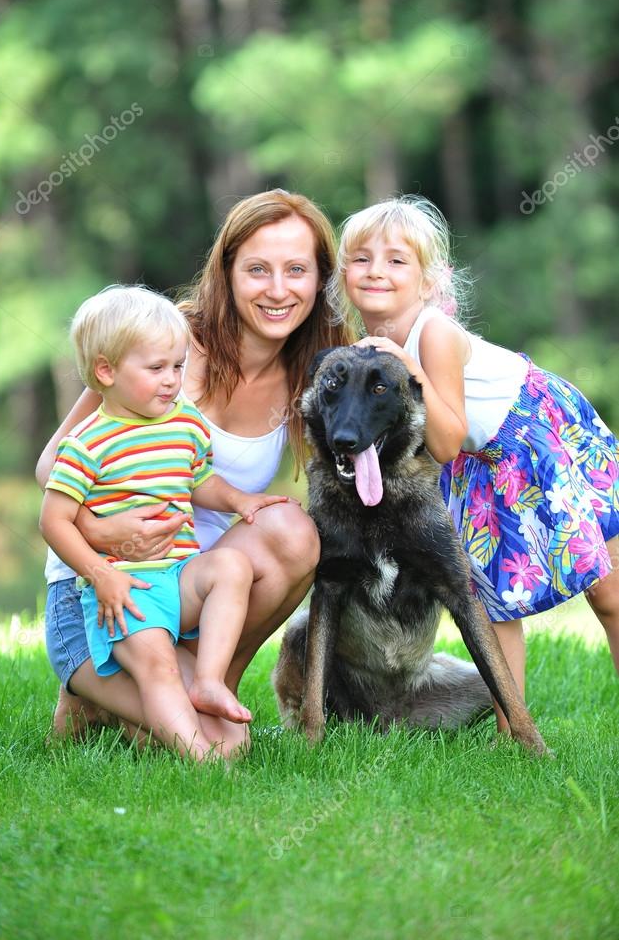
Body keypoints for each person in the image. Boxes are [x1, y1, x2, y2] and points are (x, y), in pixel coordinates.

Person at [37, 189, 354, 754]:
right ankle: (100, 687)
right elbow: (50, 467)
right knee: (214, 747)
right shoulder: (162, 344)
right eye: (257, 269)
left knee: (292, 531)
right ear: (227, 272)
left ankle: (209, 685)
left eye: (296, 270)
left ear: (320, 279)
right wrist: (102, 531)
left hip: (191, 584)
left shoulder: (315, 369)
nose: (277, 290)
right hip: (110, 585)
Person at [331, 194, 619, 733]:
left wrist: (410, 368)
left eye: (397, 260)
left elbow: (445, 439)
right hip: (481, 466)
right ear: (343, 273)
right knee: (489, 602)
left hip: (538, 434)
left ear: (428, 280)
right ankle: (514, 732)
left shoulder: (432, 334)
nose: (376, 271)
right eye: (361, 258)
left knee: (608, 590)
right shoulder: (366, 346)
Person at [40, 284, 291, 760]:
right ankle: (201, 763)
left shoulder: (183, 424)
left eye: (178, 366)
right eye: (156, 369)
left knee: (231, 566)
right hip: (123, 589)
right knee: (166, 678)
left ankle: (211, 680)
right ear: (106, 371)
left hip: (175, 577)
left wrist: (239, 499)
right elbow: (54, 522)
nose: (172, 381)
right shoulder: (87, 443)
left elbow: (200, 480)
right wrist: (101, 574)